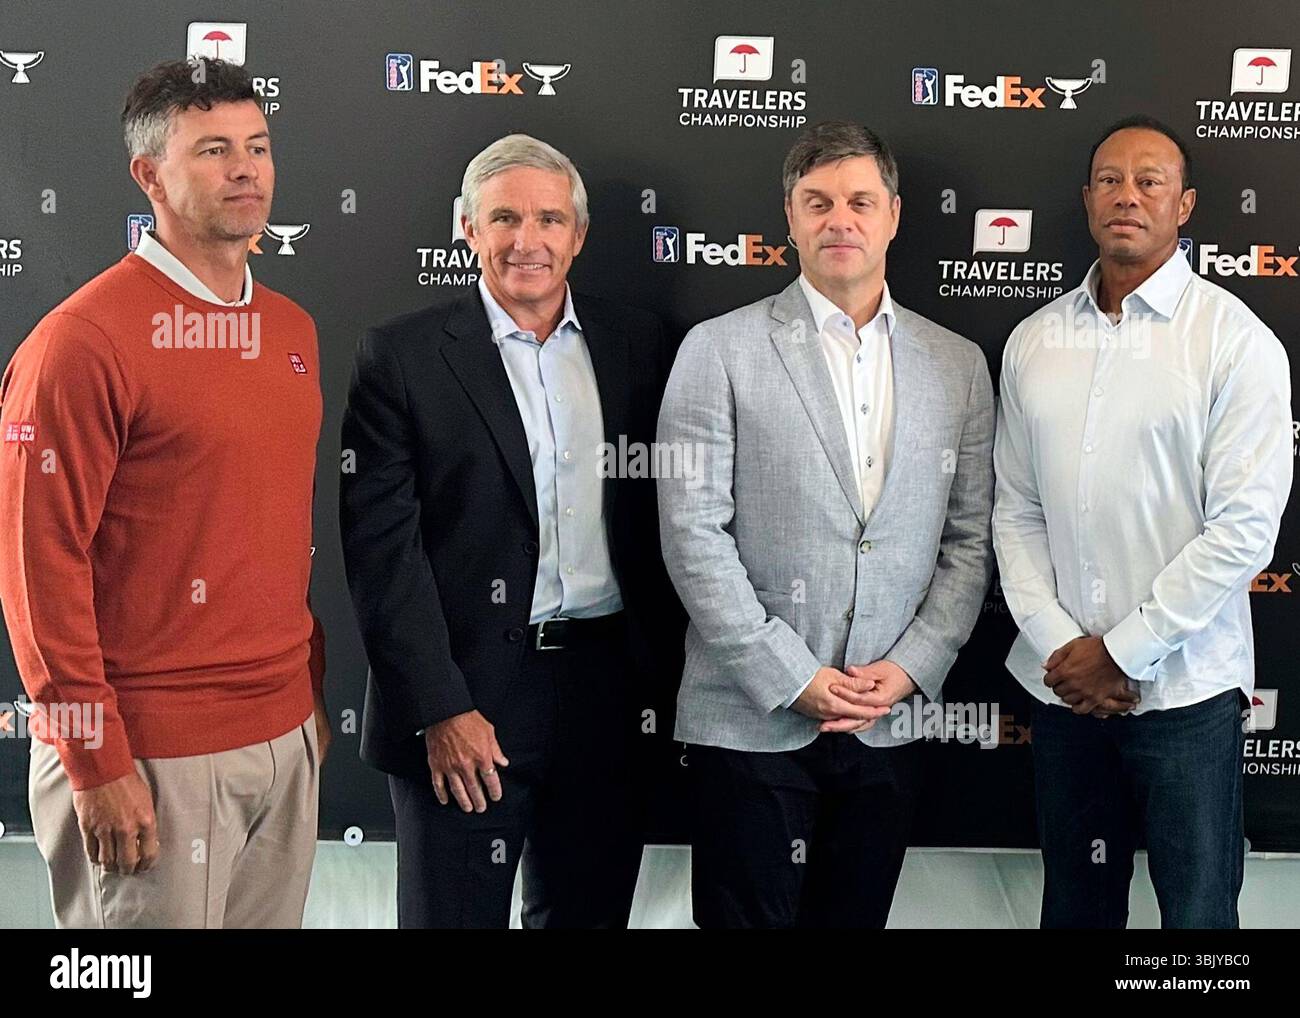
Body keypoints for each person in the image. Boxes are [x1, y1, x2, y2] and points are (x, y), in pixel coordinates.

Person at [0, 57, 328, 929]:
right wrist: (94, 757)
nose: (246, 169)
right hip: (147, 756)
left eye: (257, 146)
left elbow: (267, 531)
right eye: (214, 149)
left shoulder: (291, 329)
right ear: (149, 174)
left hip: (284, 738)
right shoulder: (81, 343)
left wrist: (303, 705)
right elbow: (38, 569)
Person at [340, 134, 684, 928]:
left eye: (549, 220)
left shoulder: (640, 344)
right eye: (504, 218)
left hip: (607, 693)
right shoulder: (403, 356)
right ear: (467, 228)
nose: (527, 241)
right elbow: (382, 554)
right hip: (466, 702)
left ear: (580, 234)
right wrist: (440, 708)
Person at [656, 121, 994, 928]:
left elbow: (969, 538)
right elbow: (692, 533)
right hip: (751, 719)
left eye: (859, 201)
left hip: (890, 719)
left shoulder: (958, 364)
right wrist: (791, 676)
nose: (840, 219)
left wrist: (911, 666)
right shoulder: (718, 350)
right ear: (790, 217)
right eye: (818, 202)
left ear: (894, 216)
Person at [992, 115, 1291, 928]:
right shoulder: (1032, 342)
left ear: (1184, 203)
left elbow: (1243, 531)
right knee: (1076, 911)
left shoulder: (1235, 341)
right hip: (1063, 696)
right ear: (1088, 200)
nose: (1129, 195)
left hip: (1187, 696)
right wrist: (1065, 648)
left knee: (1197, 919)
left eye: (1150, 181)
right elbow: (1014, 511)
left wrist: (1122, 653)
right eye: (1111, 180)